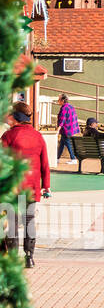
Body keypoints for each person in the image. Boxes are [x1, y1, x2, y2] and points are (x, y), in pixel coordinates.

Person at [2, 102, 50, 268]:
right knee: (29, 221)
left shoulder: (9, 136)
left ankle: (14, 258)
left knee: (13, 223)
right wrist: (47, 185)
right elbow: (45, 163)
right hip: (32, 187)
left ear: (15, 117)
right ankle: (29, 257)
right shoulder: (38, 136)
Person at [56, 93, 78, 163]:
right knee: (62, 144)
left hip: (66, 129)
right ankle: (57, 158)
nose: (58, 101)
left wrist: (58, 128)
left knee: (68, 144)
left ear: (62, 100)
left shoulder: (64, 108)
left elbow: (62, 119)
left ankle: (73, 159)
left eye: (59, 99)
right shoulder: (70, 107)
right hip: (70, 129)